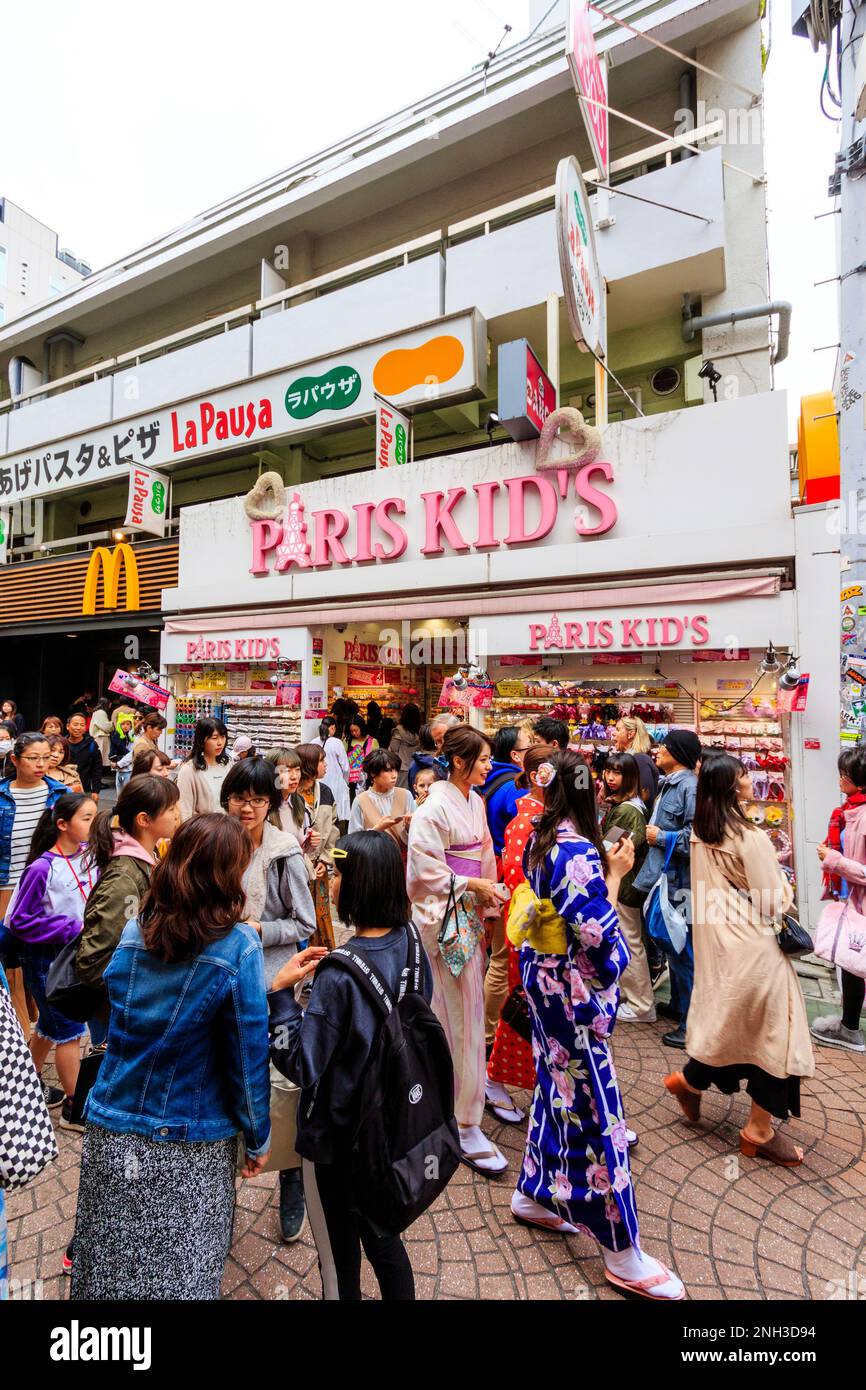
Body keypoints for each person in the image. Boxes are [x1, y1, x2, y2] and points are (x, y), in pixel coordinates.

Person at [70, 815, 272, 1301]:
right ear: (229, 875)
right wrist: (258, 1135)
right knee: (180, 1276)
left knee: (108, 1274)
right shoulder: (238, 946)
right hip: (189, 1140)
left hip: (112, 1126)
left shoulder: (139, 931)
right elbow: (248, 1059)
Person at [512, 748, 684, 1299]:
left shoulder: (543, 834)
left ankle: (534, 1192)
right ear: (590, 794)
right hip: (572, 990)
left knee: (556, 1084)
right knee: (594, 1104)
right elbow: (599, 937)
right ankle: (620, 1249)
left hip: (543, 978)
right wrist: (614, 874)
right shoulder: (578, 848)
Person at [269, 831, 432, 1300]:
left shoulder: (340, 973)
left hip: (337, 1139)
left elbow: (301, 1062)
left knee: (339, 1254)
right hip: (391, 1128)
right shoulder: (413, 941)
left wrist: (280, 997)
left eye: (338, 873)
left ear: (358, 884)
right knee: (384, 1238)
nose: (331, 881)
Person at [665, 751, 814, 1166]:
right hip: (754, 946)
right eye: (745, 775)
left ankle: (689, 1082)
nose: (751, 779)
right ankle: (759, 1130)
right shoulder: (750, 838)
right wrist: (785, 891)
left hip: (717, 942)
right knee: (774, 1032)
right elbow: (772, 901)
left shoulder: (701, 831)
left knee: (733, 1020)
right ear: (733, 785)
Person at [221, 757, 316, 1244]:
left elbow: (305, 925)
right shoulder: (218, 843)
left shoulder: (284, 853)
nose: (248, 807)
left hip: (274, 979)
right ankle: (222, 1182)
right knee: (228, 1076)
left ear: (273, 803)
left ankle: (292, 1173)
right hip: (221, 977)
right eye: (240, 797)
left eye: (259, 799)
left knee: (287, 1081)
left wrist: (260, 929)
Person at [407, 726, 507, 1175]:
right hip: (443, 918)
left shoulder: (475, 801)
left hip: (466, 910)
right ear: (460, 761)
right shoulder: (433, 809)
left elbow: (483, 852)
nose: (490, 766)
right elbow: (423, 873)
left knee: (463, 1011)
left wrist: (486, 897)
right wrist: (472, 885)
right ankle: (460, 1117)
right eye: (483, 759)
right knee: (453, 1014)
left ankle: (458, 1100)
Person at [6, 793, 99, 1129]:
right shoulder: (42, 867)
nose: (94, 823)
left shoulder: (88, 857)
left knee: (50, 1026)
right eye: (86, 818)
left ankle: (26, 1090)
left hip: (73, 956)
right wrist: (69, 926)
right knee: (70, 1032)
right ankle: (75, 1110)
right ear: (62, 825)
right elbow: (19, 920)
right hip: (45, 960)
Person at [76, 776, 181, 1045]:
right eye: (171, 808)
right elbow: (93, 961)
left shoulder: (145, 859)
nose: (178, 814)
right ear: (144, 819)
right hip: (119, 1008)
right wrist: (141, 980)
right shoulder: (125, 876)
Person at [485, 745, 554, 1122]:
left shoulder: (543, 815)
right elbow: (516, 876)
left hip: (544, 931)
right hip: (533, 931)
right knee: (523, 1007)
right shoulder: (527, 818)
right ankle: (496, 1076)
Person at [632, 728, 701, 1049]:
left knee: (683, 948)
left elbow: (697, 837)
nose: (657, 750)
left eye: (665, 747)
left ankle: (690, 1024)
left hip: (679, 880)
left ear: (679, 753)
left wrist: (660, 837)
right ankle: (677, 1005)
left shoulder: (689, 787)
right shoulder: (669, 783)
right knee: (673, 945)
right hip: (665, 876)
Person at [0, 734, 69, 1044]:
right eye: (33, 758)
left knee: (39, 962)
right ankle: (21, 1034)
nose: (42, 764)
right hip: (6, 886)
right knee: (11, 965)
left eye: (46, 756)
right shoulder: (1, 797)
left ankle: (39, 1025)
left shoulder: (60, 795)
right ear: (15, 761)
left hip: (47, 888)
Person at [813, 746, 866, 1050]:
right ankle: (849, 1026)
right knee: (851, 962)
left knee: (854, 963)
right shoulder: (848, 811)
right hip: (852, 899)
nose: (839, 779)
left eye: (845, 774)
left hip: (861, 900)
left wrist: (833, 859)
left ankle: (850, 1030)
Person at [601, 752, 653, 1023]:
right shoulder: (628, 805)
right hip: (625, 883)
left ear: (630, 776)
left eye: (617, 772)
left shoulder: (627, 810)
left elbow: (611, 847)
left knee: (630, 941)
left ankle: (641, 1005)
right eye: (608, 771)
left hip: (625, 885)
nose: (610, 777)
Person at [296, 743, 339, 950]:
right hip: (297, 867)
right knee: (298, 913)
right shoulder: (291, 794)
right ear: (308, 765)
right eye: (321, 761)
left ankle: (323, 955)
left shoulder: (326, 792)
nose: (326, 765)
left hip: (320, 866)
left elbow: (334, 828)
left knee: (321, 911)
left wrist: (326, 859)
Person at [348, 749, 415, 852]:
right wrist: (377, 829)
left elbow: (417, 835)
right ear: (373, 773)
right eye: (388, 770)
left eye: (395, 770)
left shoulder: (406, 795)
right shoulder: (360, 801)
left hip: (401, 861)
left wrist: (409, 825)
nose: (394, 775)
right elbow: (353, 841)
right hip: (373, 861)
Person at [176, 717, 231, 820]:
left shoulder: (227, 764)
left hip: (227, 830)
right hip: (203, 832)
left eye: (223, 737)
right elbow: (184, 811)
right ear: (202, 740)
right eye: (214, 738)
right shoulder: (189, 770)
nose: (220, 743)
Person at [612, 716, 660, 806]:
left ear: (630, 734)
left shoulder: (640, 760)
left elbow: (645, 798)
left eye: (618, 730)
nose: (613, 733)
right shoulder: (632, 759)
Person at [313, 717, 351, 825]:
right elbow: (346, 767)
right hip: (336, 783)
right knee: (337, 813)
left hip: (319, 783)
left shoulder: (313, 742)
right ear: (333, 727)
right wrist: (345, 782)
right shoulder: (337, 742)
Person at [65, 713, 103, 799]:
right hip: (64, 790)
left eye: (82, 725)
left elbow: (97, 769)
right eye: (75, 724)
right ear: (68, 726)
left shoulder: (91, 745)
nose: (78, 728)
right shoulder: (62, 745)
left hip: (85, 790)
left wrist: (96, 790)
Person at [344, 716, 378, 803]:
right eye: (351, 731)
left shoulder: (372, 742)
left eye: (356, 730)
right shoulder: (348, 740)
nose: (354, 733)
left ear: (362, 728)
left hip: (366, 780)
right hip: (350, 780)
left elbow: (377, 762)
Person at [388, 703, 422, 789]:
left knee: (401, 795)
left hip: (401, 768)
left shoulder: (398, 731)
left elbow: (392, 750)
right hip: (416, 767)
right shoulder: (418, 732)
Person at [109, 714, 136, 795]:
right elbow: (121, 747)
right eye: (123, 724)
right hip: (115, 756)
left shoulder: (127, 734)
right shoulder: (117, 735)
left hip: (122, 762)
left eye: (128, 724)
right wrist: (129, 754)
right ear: (119, 725)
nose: (125, 726)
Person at [88, 699, 113, 767]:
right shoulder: (101, 712)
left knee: (99, 756)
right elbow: (105, 727)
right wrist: (113, 723)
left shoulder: (97, 712)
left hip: (98, 737)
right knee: (100, 756)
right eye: (110, 703)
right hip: (101, 737)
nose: (110, 704)